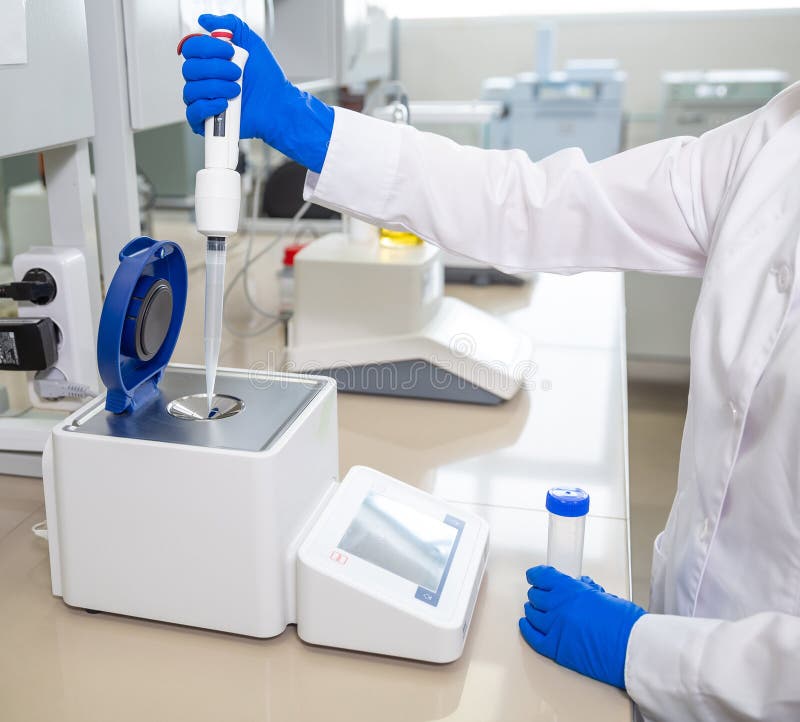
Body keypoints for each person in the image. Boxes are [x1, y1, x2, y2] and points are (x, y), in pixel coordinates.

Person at [180, 14, 800, 721]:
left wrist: (649, 653)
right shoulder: (780, 138)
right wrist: (310, 124)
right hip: (687, 628)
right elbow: (544, 205)